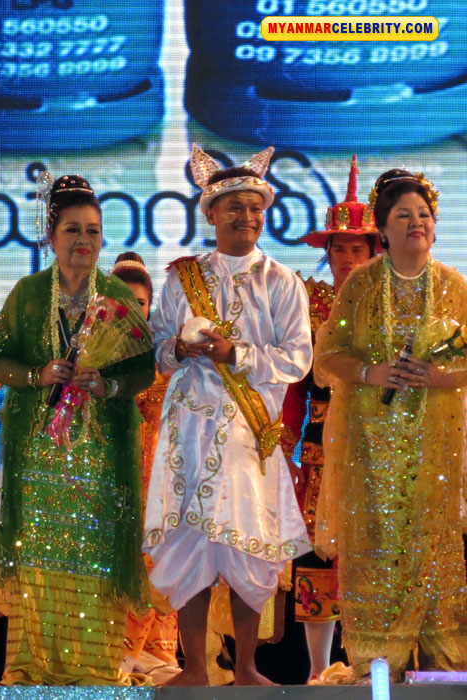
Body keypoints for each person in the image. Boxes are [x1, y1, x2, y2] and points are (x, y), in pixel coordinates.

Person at [143, 145, 313, 686]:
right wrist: (179, 348)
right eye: (235, 207)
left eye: (255, 207)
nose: (247, 216)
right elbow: (156, 349)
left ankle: (245, 667)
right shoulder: (182, 278)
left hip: (248, 431)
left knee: (246, 542)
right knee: (190, 542)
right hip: (188, 430)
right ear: (211, 213)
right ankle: (194, 667)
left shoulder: (281, 281)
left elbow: (298, 358)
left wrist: (233, 354)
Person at [0, 174, 155, 685]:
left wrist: (107, 385)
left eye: (93, 232)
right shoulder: (29, 294)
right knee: (39, 558)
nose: (84, 241)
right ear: (51, 236)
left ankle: (94, 671)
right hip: (40, 454)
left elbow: (143, 370)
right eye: (73, 230)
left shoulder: (117, 294)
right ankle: (36, 668)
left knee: (95, 560)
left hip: (100, 457)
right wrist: (37, 375)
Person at [314, 168, 467, 680]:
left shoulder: (454, 286)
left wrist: (439, 378)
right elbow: (328, 355)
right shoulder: (361, 285)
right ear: (382, 229)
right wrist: (369, 372)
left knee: (435, 552)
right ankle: (378, 669)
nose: (416, 222)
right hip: (369, 452)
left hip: (435, 451)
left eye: (424, 214)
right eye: (403, 215)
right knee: (377, 553)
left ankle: (443, 671)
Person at [280, 156, 377, 681]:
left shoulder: (388, 308)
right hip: (320, 450)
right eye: (339, 249)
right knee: (317, 554)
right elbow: (293, 388)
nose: (346, 258)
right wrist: (284, 448)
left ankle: (370, 663)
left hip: (377, 447)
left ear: (374, 252)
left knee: (369, 549)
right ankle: (318, 672)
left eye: (356, 249)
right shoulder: (310, 305)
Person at [111, 252, 180, 685]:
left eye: (139, 302)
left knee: (161, 558)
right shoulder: (95, 352)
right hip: (113, 472)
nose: (132, 310)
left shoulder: (164, 355)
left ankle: (157, 654)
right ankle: (118, 652)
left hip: (161, 475)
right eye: (123, 301)